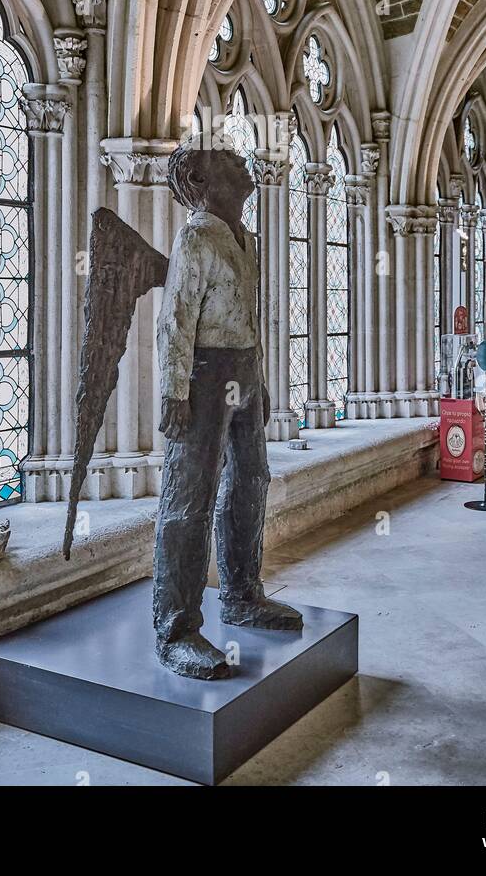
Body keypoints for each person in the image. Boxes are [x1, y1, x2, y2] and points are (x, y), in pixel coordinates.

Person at [154, 136, 302, 679]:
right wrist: (174, 392)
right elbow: (175, 321)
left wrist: (258, 383)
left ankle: (241, 593)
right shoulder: (196, 237)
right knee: (189, 495)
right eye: (226, 159)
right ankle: (176, 628)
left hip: (241, 368)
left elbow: (249, 320)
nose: (241, 162)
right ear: (198, 183)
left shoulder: (247, 239)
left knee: (250, 480)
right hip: (204, 373)